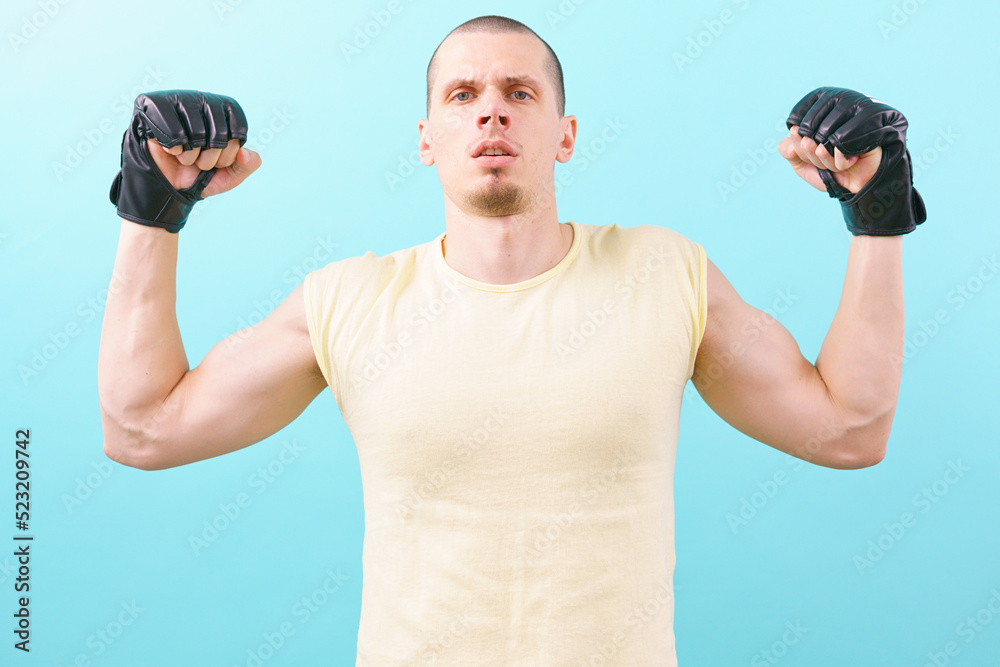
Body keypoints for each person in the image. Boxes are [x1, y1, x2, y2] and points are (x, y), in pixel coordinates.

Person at [98, 14, 924, 666]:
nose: (490, 107)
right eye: (461, 95)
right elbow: (143, 429)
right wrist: (153, 206)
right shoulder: (349, 298)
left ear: (565, 134)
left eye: (520, 92)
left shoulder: (664, 271)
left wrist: (876, 214)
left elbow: (849, 430)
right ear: (426, 140)